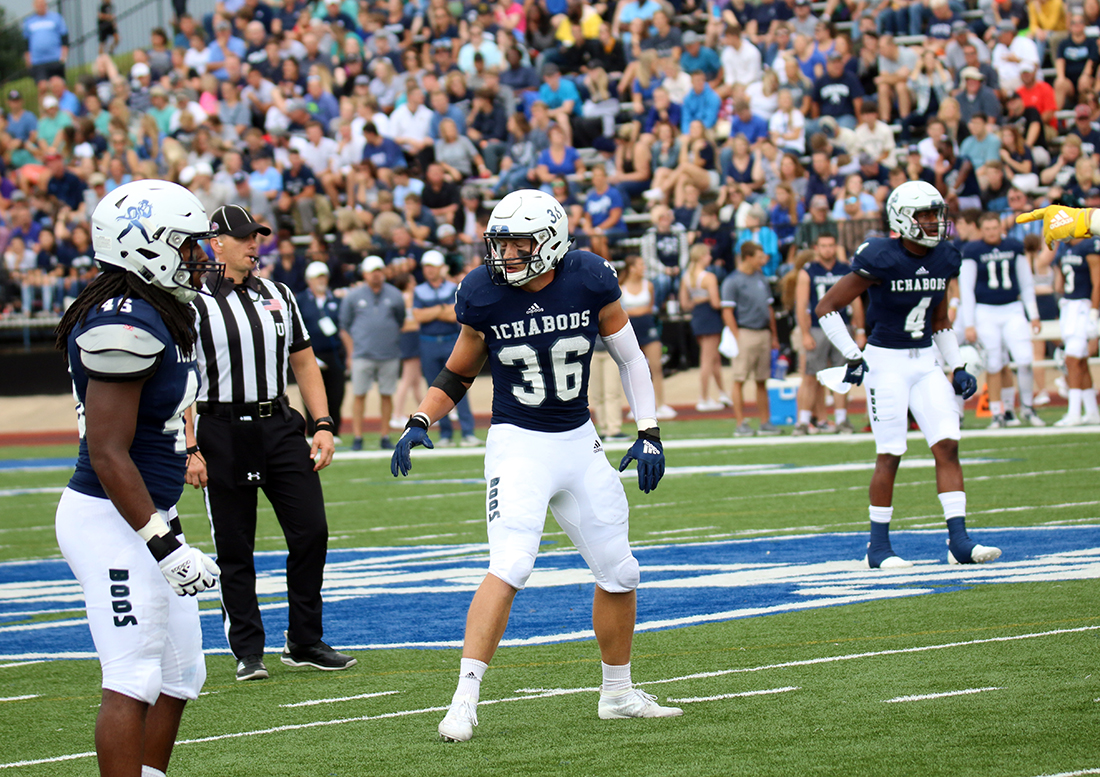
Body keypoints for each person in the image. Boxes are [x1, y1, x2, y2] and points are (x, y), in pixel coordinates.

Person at [390, 188, 681, 743]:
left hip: (578, 441)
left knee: (620, 571)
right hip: (519, 443)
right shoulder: (482, 292)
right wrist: (420, 419)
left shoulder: (589, 277)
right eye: (500, 243)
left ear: (550, 241)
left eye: (517, 244)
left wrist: (648, 431)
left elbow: (630, 358)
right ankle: (463, 700)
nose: (505, 255)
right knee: (512, 564)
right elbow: (458, 371)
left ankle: (618, 693)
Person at [54, 180, 223, 775]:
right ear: (143, 244)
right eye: (186, 244)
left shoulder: (159, 311)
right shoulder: (123, 321)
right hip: (111, 516)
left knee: (181, 674)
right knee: (133, 675)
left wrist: (163, 529)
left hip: (146, 512)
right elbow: (106, 451)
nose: (198, 257)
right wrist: (163, 544)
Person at [187, 204, 354, 682]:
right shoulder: (193, 302)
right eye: (243, 237)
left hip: (279, 423)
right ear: (215, 243)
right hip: (220, 427)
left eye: (256, 236)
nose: (252, 244)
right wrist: (190, 444)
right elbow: (182, 378)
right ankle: (247, 648)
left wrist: (323, 423)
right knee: (235, 545)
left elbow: (304, 361)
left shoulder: (279, 293)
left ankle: (304, 640)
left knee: (311, 531)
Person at [815, 180, 998, 569]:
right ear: (902, 218)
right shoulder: (881, 256)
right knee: (891, 453)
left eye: (936, 214)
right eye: (925, 215)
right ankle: (878, 547)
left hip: (926, 360)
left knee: (947, 445)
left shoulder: (945, 256)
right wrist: (853, 355)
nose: (934, 221)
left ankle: (959, 541)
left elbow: (940, 319)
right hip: (887, 364)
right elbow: (827, 306)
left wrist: (957, 365)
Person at [959, 212, 1044, 428]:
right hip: (985, 311)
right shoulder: (972, 250)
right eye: (987, 229)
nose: (991, 233)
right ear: (981, 230)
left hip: (1012, 308)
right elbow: (966, 289)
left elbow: (1026, 283)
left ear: (1000, 228)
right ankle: (997, 413)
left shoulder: (1013, 246)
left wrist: (1033, 315)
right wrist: (969, 323)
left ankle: (1027, 408)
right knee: (994, 363)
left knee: (1024, 359)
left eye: (994, 228)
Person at [793, 233, 864, 435]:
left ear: (836, 247)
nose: (827, 249)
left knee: (843, 374)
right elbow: (801, 305)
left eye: (831, 245)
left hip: (842, 326)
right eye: (823, 245)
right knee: (810, 375)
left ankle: (841, 419)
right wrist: (805, 333)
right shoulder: (808, 271)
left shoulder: (845, 270)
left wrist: (860, 330)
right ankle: (804, 421)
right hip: (817, 328)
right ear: (816, 248)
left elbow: (856, 301)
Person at [413, 250, 479, 446]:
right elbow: (418, 316)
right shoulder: (419, 290)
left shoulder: (453, 288)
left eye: (432, 266)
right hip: (429, 343)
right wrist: (442, 309)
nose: (429, 270)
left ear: (441, 268)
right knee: (434, 389)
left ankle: (467, 431)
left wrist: (431, 312)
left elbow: (455, 315)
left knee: (460, 386)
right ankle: (445, 434)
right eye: (426, 266)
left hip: (451, 341)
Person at [340, 255, 405, 451]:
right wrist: (351, 353)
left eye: (378, 270)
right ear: (365, 274)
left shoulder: (395, 295)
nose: (376, 275)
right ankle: (357, 436)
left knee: (387, 394)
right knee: (359, 395)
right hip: (362, 354)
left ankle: (385, 435)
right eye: (372, 271)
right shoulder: (353, 296)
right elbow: (344, 326)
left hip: (388, 354)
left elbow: (400, 320)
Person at [721, 241, 782, 437]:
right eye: (759, 256)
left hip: (763, 332)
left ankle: (765, 421)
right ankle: (740, 423)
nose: (762, 260)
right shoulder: (733, 281)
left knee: (762, 379)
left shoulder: (761, 278)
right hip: (745, 331)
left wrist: (773, 335)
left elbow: (769, 308)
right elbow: (727, 311)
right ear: (748, 257)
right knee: (739, 379)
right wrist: (737, 336)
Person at [296, 261, 346, 441]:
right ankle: (313, 430)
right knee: (312, 391)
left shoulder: (336, 300)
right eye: (317, 277)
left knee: (336, 392)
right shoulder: (301, 300)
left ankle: (334, 430)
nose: (321, 280)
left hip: (334, 353)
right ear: (309, 280)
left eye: (323, 276)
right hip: (311, 353)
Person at [1052, 237, 1100, 425]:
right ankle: (1092, 411)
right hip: (1069, 306)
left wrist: (1094, 313)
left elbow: (1097, 282)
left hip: (1084, 306)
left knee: (1071, 360)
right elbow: (1059, 285)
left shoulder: (1089, 245)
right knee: (1080, 361)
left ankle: (1074, 412)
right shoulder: (1065, 248)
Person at [679, 243, 730, 412]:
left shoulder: (686, 277)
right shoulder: (709, 277)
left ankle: (723, 393)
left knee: (713, 358)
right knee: (707, 360)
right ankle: (704, 397)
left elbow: (685, 304)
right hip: (710, 317)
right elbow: (716, 303)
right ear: (701, 257)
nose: (710, 257)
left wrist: (697, 300)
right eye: (708, 254)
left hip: (698, 317)